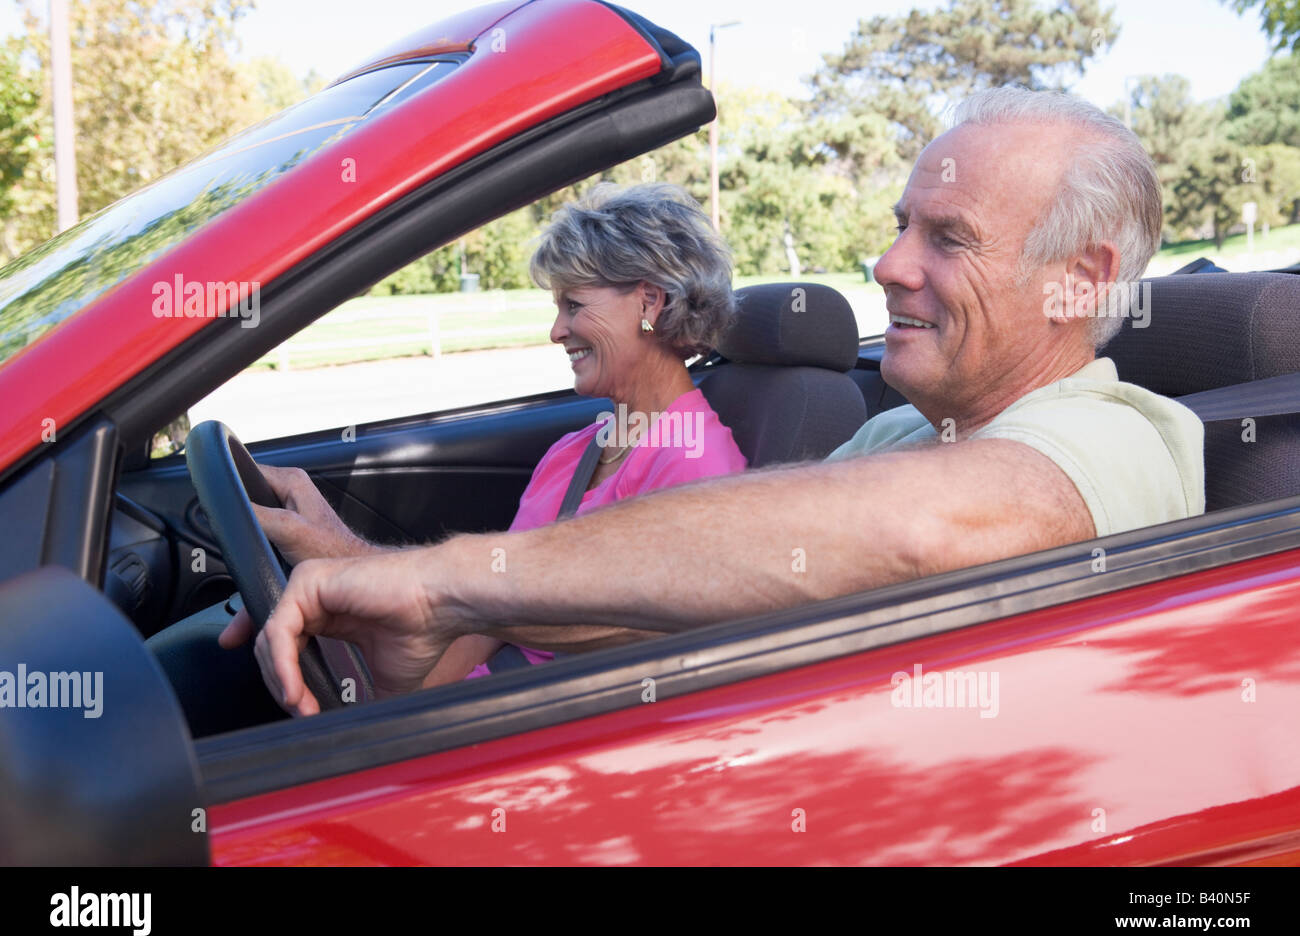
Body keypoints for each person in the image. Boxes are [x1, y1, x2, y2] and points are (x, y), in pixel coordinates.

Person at [221, 87, 1206, 717]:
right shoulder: (894, 432)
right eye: (901, 223)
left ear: (1080, 277)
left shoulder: (1116, 435)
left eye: (947, 238)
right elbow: (705, 605)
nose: (887, 260)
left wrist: (444, 583)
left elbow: (930, 530)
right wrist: (397, 596)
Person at [242, 181, 747, 685]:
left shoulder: (695, 463)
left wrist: (343, 560)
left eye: (574, 305)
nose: (556, 330)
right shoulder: (574, 453)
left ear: (649, 304)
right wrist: (380, 698)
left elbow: (654, 650)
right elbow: (482, 621)